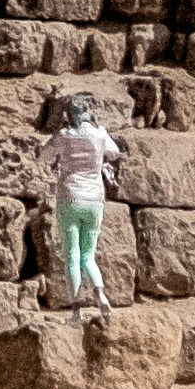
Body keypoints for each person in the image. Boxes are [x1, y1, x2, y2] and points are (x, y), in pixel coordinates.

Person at [39, 95, 122, 312]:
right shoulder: (100, 133)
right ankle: (100, 293)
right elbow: (114, 152)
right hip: (95, 200)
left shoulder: (64, 135)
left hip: (69, 198)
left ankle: (76, 308)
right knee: (88, 255)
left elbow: (44, 157)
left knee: (72, 256)